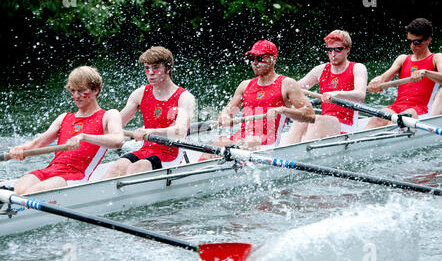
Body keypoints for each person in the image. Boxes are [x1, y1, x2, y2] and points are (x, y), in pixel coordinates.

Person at [9, 66, 125, 195]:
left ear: (95, 90)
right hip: (51, 170)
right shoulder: (64, 118)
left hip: (75, 175)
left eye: (81, 91)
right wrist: (20, 149)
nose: (76, 96)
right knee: (18, 189)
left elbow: (118, 140)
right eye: (73, 91)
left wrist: (84, 137)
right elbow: (37, 144)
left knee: (34, 192)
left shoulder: (109, 115)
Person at [199, 40, 316, 160]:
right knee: (215, 144)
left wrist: (283, 110)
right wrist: (224, 116)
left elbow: (310, 115)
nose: (255, 63)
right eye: (252, 58)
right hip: (242, 139)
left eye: (260, 58)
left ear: (273, 59)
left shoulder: (287, 84)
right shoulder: (244, 85)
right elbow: (228, 111)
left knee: (243, 142)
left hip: (266, 142)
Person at [103, 46, 195, 178]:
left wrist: (150, 131)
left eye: (156, 67)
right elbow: (117, 123)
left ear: (168, 69)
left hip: (171, 153)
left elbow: (180, 131)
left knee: (136, 168)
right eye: (147, 68)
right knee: (118, 165)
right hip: (146, 149)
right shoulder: (139, 94)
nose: (150, 72)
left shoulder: (184, 97)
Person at [285, 30, 367, 144]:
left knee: (317, 119)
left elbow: (360, 96)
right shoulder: (320, 70)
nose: (333, 54)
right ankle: (287, 154)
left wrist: (336, 94)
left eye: (338, 49)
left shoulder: (357, 68)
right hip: (325, 122)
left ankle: (304, 154)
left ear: (347, 49)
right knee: (301, 118)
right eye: (329, 50)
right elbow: (296, 87)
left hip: (345, 126)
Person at [365, 18, 442, 128]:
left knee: (398, 120)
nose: (412, 46)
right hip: (397, 106)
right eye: (409, 41)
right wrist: (376, 81)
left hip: (421, 110)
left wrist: (425, 72)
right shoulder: (402, 59)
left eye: (417, 42)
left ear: (428, 39)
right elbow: (384, 78)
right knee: (377, 118)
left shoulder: (436, 58)